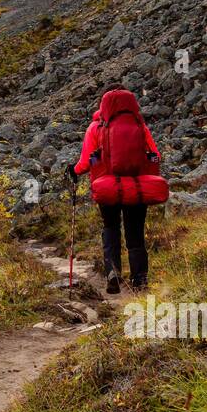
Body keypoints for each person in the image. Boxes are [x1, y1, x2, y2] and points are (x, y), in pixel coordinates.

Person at [70, 88, 162, 294]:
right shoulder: (140, 126)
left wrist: (73, 171)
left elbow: (85, 162)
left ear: (104, 105)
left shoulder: (95, 128)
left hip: (108, 188)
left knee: (110, 227)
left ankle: (113, 271)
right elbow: (155, 155)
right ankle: (139, 280)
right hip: (136, 188)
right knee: (135, 233)